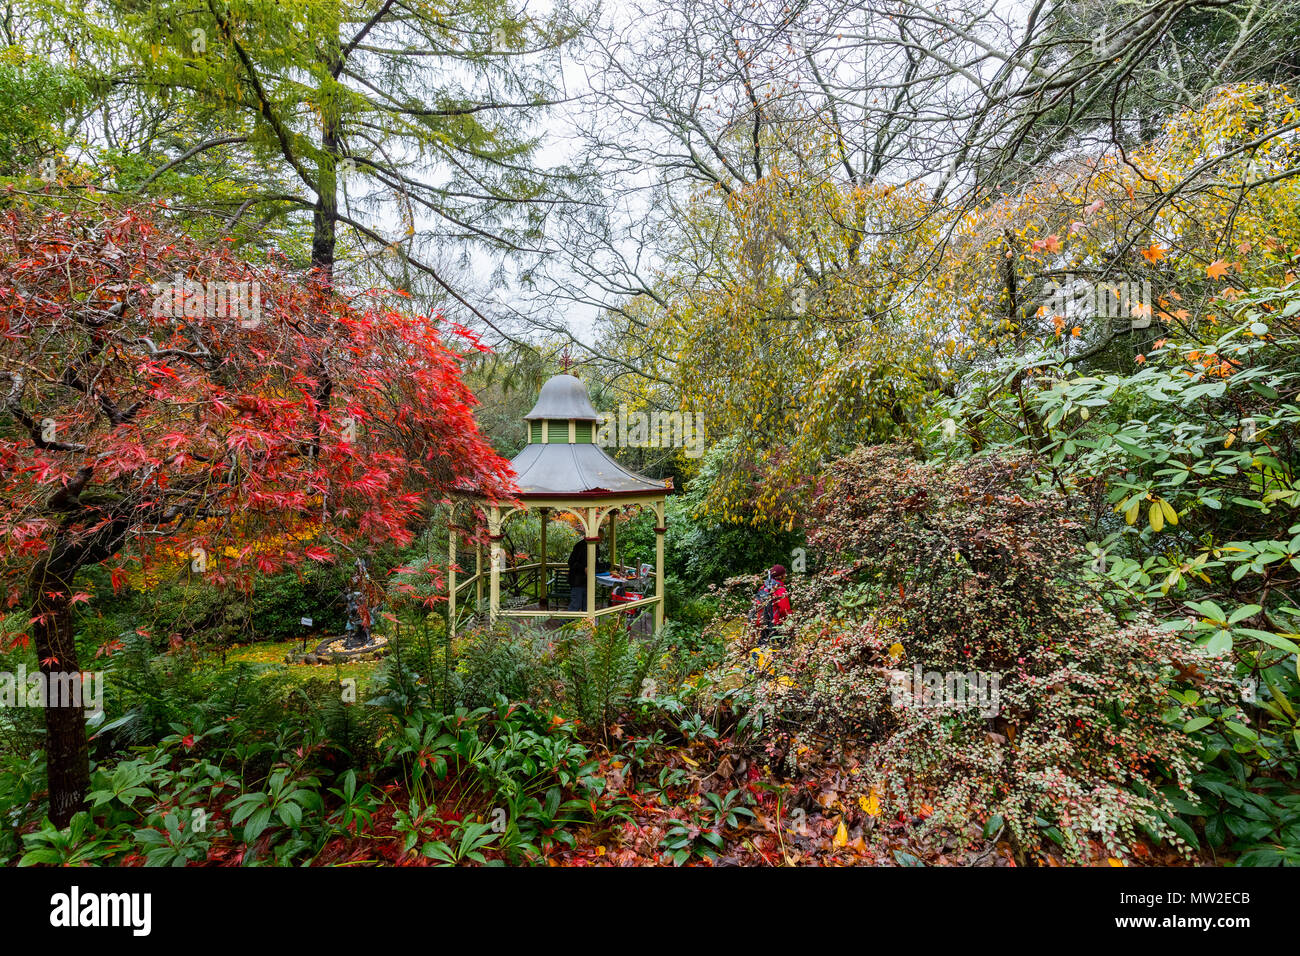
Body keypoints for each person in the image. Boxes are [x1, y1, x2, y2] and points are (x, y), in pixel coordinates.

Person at [752, 564, 792, 642]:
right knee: (783, 647)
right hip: (776, 624)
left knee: (762, 646)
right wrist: (789, 620)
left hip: (763, 622)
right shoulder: (780, 589)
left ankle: (755, 654)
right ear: (781, 576)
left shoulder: (763, 587)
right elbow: (784, 610)